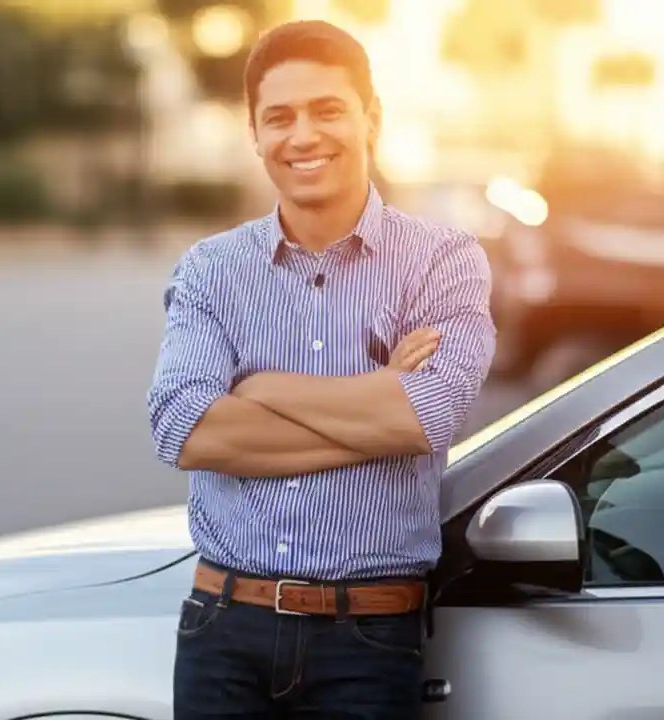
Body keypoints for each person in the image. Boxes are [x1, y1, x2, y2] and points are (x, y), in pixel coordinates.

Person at [145, 20, 496, 720]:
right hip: (224, 631)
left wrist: (261, 388)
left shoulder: (443, 262)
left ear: (372, 118)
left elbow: (426, 415)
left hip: (366, 642)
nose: (302, 136)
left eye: (327, 110)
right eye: (279, 117)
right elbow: (184, 431)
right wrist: (377, 406)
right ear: (255, 134)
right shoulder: (213, 272)